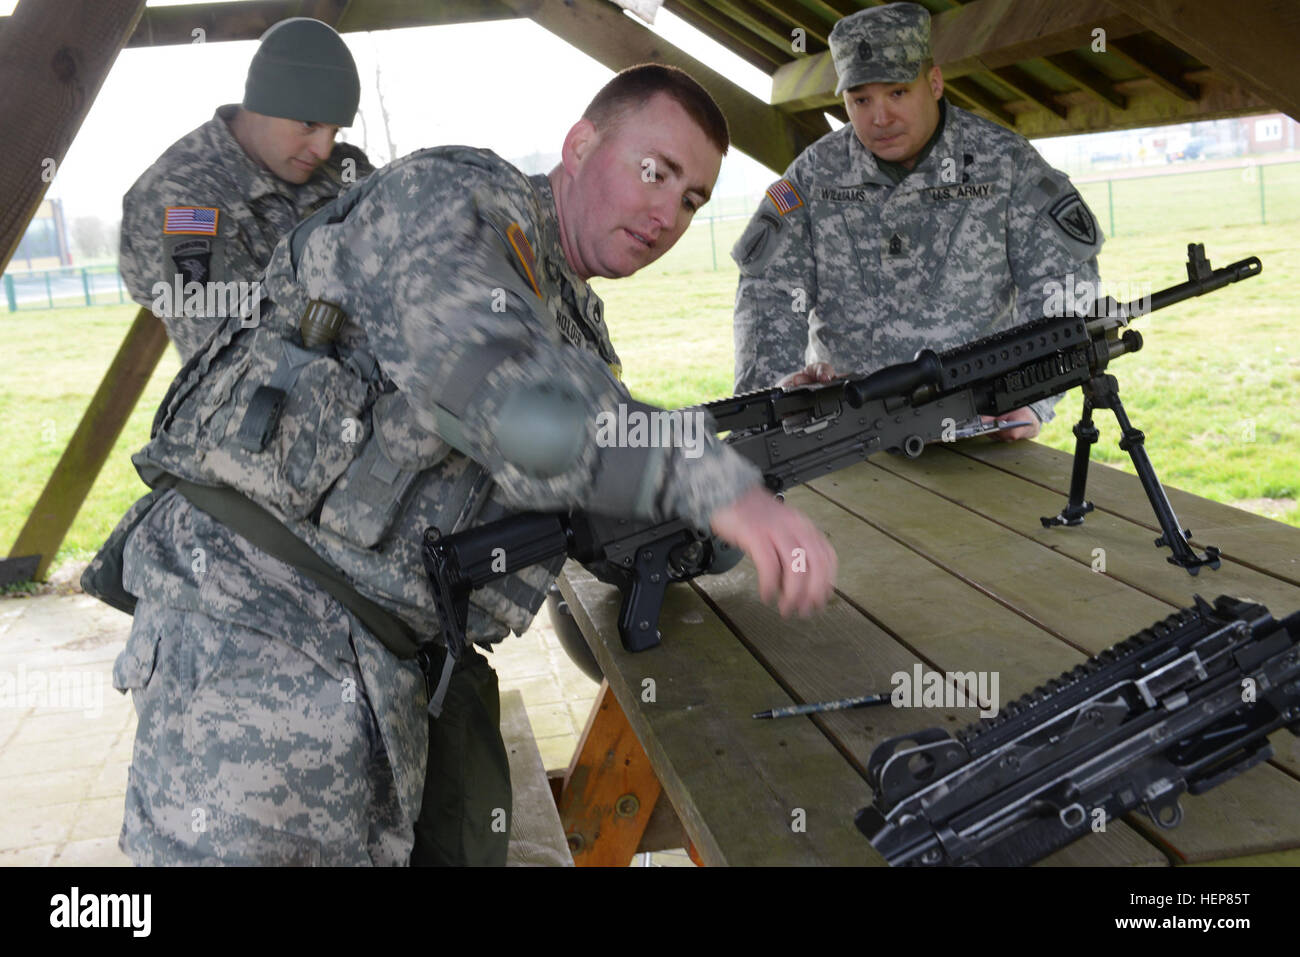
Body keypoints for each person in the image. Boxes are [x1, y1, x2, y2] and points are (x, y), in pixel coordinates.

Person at [90, 64, 837, 866]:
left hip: (370, 662)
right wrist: (716, 485)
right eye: (654, 171)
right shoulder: (456, 197)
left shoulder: (566, 313)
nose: (667, 212)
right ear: (580, 146)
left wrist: (760, 461)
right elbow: (501, 386)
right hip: (257, 639)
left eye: (691, 199)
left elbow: (597, 499)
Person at [731, 2, 1104, 440]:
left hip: (977, 425)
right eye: (860, 100)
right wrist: (773, 408)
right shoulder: (815, 175)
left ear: (934, 82)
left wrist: (1035, 395)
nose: (880, 118)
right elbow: (768, 294)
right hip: (846, 433)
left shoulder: (1004, 163)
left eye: (897, 93)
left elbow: (1063, 281)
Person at [119, 17, 374, 362]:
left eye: (335, 131)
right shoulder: (183, 197)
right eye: (309, 124)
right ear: (261, 105)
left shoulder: (343, 171)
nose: (324, 150)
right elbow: (233, 351)